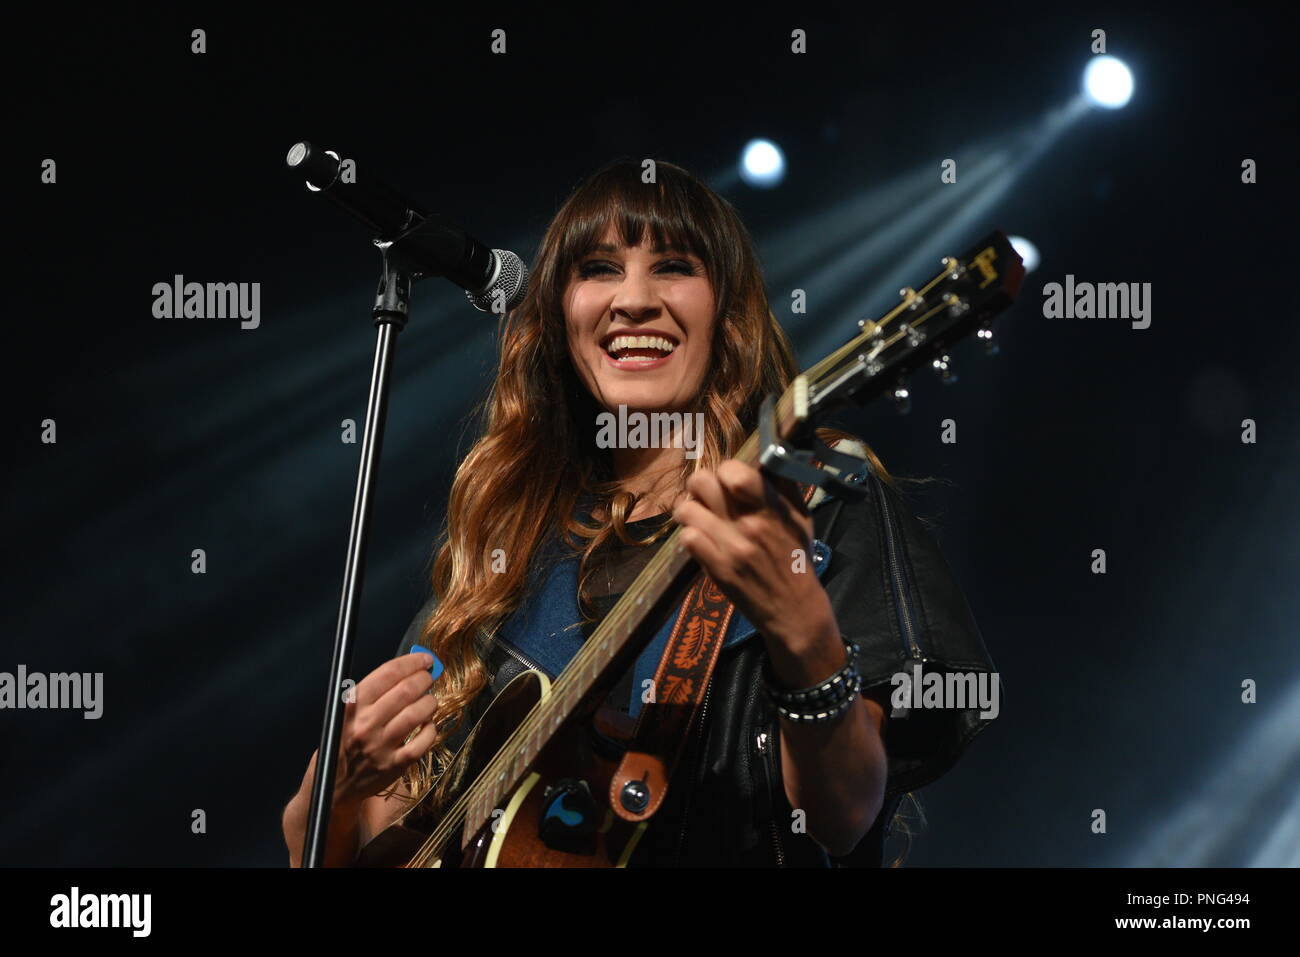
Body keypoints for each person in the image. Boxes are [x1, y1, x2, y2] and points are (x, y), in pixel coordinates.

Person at [282, 157, 999, 867]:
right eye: (597, 269)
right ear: (560, 316)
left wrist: (805, 637)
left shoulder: (810, 494)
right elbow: (355, 834)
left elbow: (842, 818)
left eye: (674, 266)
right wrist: (335, 794)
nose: (632, 300)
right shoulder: (511, 545)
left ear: (728, 313)